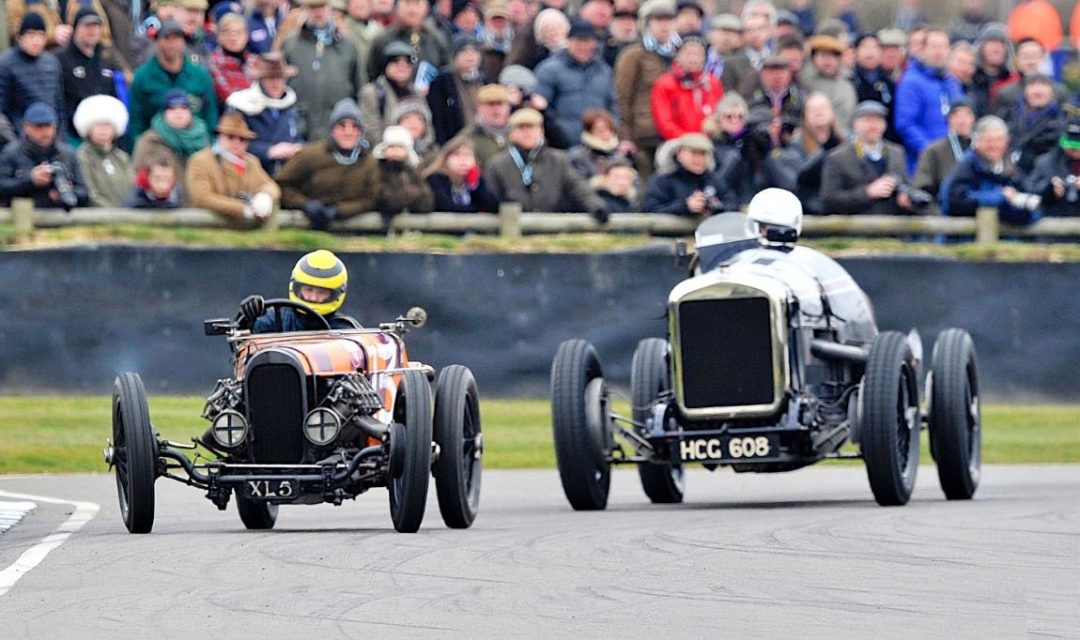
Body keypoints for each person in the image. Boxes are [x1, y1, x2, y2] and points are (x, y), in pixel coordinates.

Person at [276, 98, 380, 230]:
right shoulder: (309, 155)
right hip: (307, 226)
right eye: (342, 126)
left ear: (360, 132)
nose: (348, 132)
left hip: (357, 230)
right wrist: (305, 204)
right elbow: (282, 184)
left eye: (354, 127)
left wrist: (339, 210)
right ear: (333, 130)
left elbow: (371, 198)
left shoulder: (369, 162)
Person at [485, 107, 608, 217]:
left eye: (531, 127)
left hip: (551, 225)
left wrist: (596, 206)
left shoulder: (559, 160)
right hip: (512, 228)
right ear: (512, 133)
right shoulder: (497, 164)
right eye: (521, 128)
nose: (527, 132)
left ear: (541, 132)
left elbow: (577, 187)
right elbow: (490, 200)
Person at [281, 0, 367, 141]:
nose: (318, 12)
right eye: (312, 7)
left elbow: (360, 88)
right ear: (305, 10)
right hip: (299, 129)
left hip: (339, 129)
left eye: (321, 6)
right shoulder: (290, 44)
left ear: (330, 9)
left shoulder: (348, 44)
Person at [613, 0, 678, 180]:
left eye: (669, 20)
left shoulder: (679, 54)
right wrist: (625, 136)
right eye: (659, 20)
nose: (665, 25)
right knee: (646, 182)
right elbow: (622, 97)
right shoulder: (633, 55)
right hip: (643, 135)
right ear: (647, 24)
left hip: (674, 133)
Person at [940, 115, 1042, 225]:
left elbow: (1033, 210)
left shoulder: (1012, 170)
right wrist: (1000, 197)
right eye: (988, 140)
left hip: (1004, 234)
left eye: (999, 140)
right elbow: (954, 201)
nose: (994, 145)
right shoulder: (966, 167)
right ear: (977, 142)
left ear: (1006, 142)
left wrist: (1015, 207)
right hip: (965, 232)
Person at [128, 19, 217, 142]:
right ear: (157, 41)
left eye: (177, 38)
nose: (172, 43)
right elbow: (136, 122)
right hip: (156, 144)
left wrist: (210, 146)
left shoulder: (201, 76)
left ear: (184, 42)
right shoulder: (142, 77)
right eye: (167, 38)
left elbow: (211, 117)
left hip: (195, 144)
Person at [820, 100, 915, 216]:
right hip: (855, 225)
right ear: (854, 124)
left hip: (892, 224)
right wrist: (867, 193)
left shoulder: (897, 153)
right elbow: (829, 200)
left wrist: (906, 200)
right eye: (867, 120)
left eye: (878, 120)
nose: (873, 126)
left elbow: (906, 186)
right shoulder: (837, 158)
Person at [535, 19, 617, 146]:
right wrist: (558, 133)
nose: (583, 46)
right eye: (578, 41)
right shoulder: (549, 70)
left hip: (598, 144)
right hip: (560, 144)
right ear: (568, 42)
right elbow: (541, 107)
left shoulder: (604, 71)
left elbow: (614, 106)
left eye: (587, 41)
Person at [185, 112, 280, 221]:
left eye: (242, 139)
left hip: (248, 226)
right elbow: (202, 198)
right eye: (230, 137)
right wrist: (243, 210)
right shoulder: (201, 160)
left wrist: (265, 195)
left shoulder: (251, 161)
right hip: (209, 225)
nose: (237, 142)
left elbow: (270, 185)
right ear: (219, 137)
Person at [894, 28, 963, 175]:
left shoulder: (953, 82)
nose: (938, 52)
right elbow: (906, 124)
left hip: (955, 162)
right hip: (923, 165)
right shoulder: (911, 82)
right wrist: (932, 152)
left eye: (943, 47)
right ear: (923, 50)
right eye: (934, 47)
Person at [238, 250, 358, 333]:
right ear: (296, 287)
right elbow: (241, 345)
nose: (313, 297)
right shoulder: (276, 319)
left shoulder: (346, 331)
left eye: (321, 292)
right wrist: (248, 317)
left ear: (336, 294)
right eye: (308, 290)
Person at [226, 52, 304, 175]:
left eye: (280, 78)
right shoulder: (240, 105)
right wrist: (269, 151)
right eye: (270, 78)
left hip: (287, 174)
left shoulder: (290, 106)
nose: (276, 83)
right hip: (251, 174)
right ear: (260, 80)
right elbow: (230, 143)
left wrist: (298, 148)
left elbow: (298, 136)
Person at [0, 102, 89, 210]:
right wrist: (31, 180)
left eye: (48, 126)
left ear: (55, 127)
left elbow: (84, 193)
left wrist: (67, 192)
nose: (44, 132)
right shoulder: (11, 152)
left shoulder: (67, 153)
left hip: (60, 216)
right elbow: (2, 187)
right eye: (38, 127)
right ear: (26, 127)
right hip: (22, 215)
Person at [57, 8, 125, 141]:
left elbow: (116, 94)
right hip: (74, 134)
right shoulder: (61, 59)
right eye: (87, 25)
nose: (92, 30)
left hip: (106, 133)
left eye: (96, 25)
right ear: (75, 28)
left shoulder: (107, 57)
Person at [0, 13, 65, 146]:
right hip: (20, 140)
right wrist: (16, 144)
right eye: (31, 35)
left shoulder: (52, 62)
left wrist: (61, 139)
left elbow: (60, 105)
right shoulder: (6, 64)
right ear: (19, 37)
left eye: (40, 35)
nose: (36, 41)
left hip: (52, 140)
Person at [132, 89, 211, 196]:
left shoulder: (201, 138)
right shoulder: (149, 141)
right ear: (164, 113)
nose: (178, 113)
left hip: (197, 202)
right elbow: (137, 174)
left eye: (184, 108)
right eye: (172, 108)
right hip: (161, 203)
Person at [650, 35, 723, 142]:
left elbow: (719, 114)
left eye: (698, 54)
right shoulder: (664, 84)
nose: (693, 59)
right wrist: (689, 141)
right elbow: (664, 123)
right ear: (677, 57)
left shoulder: (713, 83)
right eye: (688, 54)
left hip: (709, 142)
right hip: (676, 143)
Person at [642, 132, 731, 215]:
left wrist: (717, 207)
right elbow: (649, 210)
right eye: (694, 153)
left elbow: (731, 202)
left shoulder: (712, 179)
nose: (699, 159)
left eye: (703, 154)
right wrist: (685, 206)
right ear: (679, 155)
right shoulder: (663, 179)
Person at [73, 94, 133, 207]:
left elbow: (133, 189)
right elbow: (91, 194)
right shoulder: (82, 157)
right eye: (98, 125)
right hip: (98, 216)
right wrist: (113, 213)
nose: (103, 130)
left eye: (108, 125)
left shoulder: (122, 157)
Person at [366, 0, 450, 79]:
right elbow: (372, 75)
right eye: (407, 3)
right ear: (397, 7)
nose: (412, 10)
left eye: (417, 3)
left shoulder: (437, 40)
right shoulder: (382, 40)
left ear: (426, 7)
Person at [428, 34, 487, 144]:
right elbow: (438, 119)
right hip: (453, 142)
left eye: (474, 51)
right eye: (464, 51)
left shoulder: (484, 81)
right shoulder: (442, 82)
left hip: (481, 141)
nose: (470, 56)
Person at [912, 98, 975, 200]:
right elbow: (922, 188)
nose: (962, 120)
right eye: (957, 115)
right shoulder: (933, 151)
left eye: (967, 114)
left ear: (974, 119)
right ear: (949, 120)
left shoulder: (982, 149)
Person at [1001, 74, 1064, 173]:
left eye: (1043, 85)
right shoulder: (1009, 114)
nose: (1038, 91)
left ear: (1052, 92)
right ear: (1024, 91)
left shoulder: (1061, 121)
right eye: (1033, 85)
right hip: (1007, 171)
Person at [360, 41, 420, 145]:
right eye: (396, 61)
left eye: (407, 62)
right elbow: (371, 132)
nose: (402, 66)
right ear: (385, 65)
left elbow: (427, 129)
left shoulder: (416, 94)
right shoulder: (371, 93)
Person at [372, 125, 434, 221]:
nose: (395, 151)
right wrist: (413, 194)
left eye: (400, 147)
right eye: (391, 146)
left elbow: (427, 202)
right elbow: (387, 202)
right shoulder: (377, 170)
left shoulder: (412, 172)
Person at [423, 136, 499, 212]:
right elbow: (446, 206)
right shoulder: (435, 179)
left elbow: (493, 206)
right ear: (446, 159)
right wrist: (476, 209)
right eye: (457, 155)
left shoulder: (476, 180)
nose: (463, 161)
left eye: (468, 155)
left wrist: (474, 186)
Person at [849, 32, 899, 143]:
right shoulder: (849, 82)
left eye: (874, 47)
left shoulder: (889, 84)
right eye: (865, 47)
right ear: (855, 52)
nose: (870, 52)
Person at [1025, 117, 1080, 218]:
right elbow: (1028, 188)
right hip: (1053, 220)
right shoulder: (1046, 162)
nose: (1073, 149)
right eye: (1070, 144)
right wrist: (1049, 187)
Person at [459, 83, 511, 168]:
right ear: (479, 107)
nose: (496, 109)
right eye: (490, 104)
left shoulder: (517, 134)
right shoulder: (467, 138)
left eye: (500, 104)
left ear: (508, 107)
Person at [207, 12, 253, 107]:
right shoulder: (213, 62)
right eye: (227, 32)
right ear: (218, 36)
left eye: (238, 32)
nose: (233, 37)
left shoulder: (256, 61)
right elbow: (227, 96)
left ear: (246, 36)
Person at [567, 108, 625, 180]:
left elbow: (634, 182)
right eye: (599, 130)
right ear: (589, 132)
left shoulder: (619, 157)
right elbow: (578, 183)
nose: (605, 134)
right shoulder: (577, 156)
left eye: (608, 129)